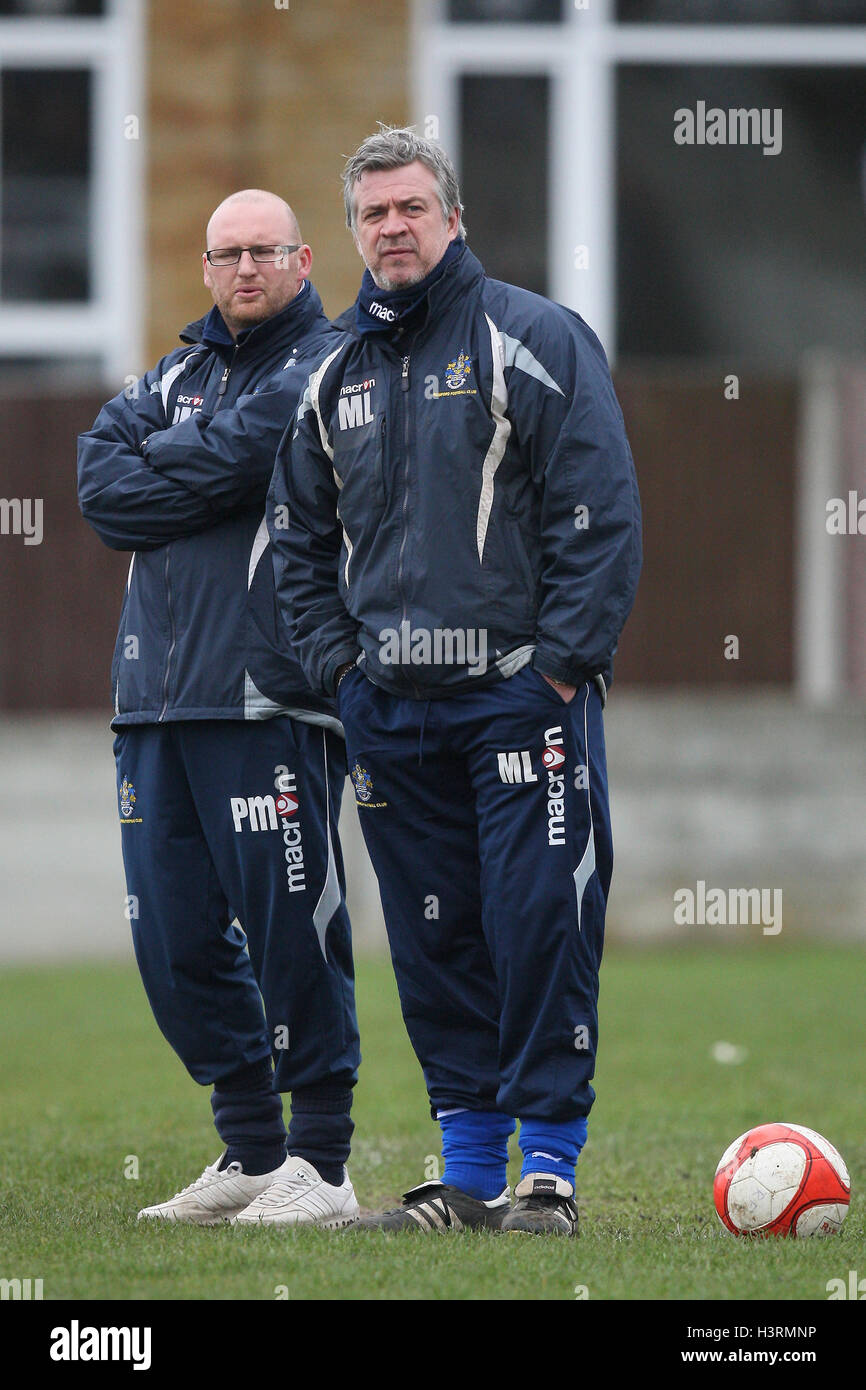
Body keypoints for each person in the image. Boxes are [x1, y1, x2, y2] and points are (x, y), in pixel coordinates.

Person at [269, 128, 642, 1236]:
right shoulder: (330, 371)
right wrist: (342, 674)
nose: (391, 227)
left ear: (452, 219)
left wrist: (562, 672)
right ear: (353, 233)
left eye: (410, 208)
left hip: (520, 701)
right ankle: (469, 1175)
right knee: (436, 941)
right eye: (372, 213)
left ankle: (547, 1177)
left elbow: (600, 514)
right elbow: (295, 542)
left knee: (540, 924)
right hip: (390, 717)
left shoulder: (532, 337)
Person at [78, 190, 360, 1228]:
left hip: (265, 696)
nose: (246, 268)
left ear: (301, 257)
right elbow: (100, 489)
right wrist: (188, 470)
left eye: (264, 250)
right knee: (174, 941)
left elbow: (255, 454)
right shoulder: (175, 372)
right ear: (204, 267)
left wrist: (173, 465)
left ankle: (322, 1165)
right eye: (227, 253)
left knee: (292, 928)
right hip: (151, 701)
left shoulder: (322, 364)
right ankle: (249, 1144)